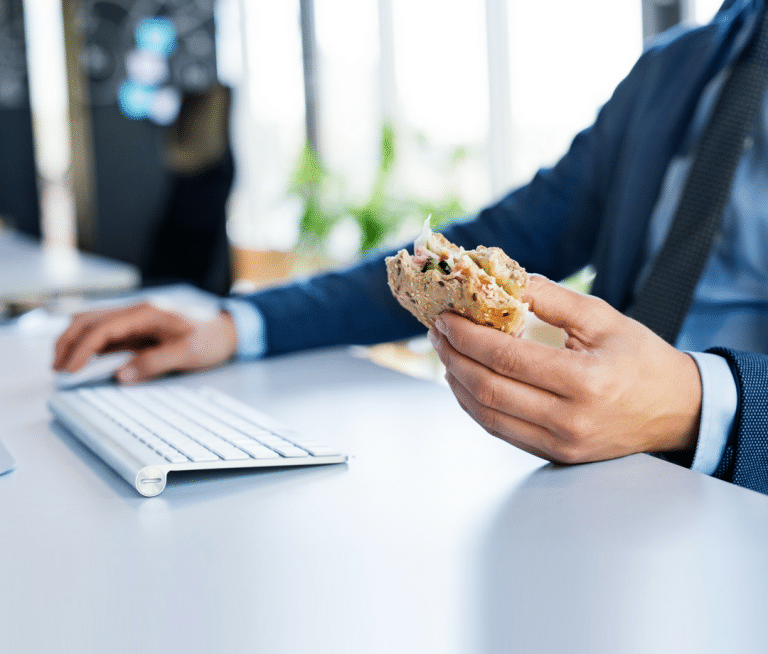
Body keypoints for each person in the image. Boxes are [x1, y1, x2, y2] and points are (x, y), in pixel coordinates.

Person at [53, 0, 768, 496]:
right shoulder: (680, 67)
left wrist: (700, 404)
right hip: (606, 495)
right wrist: (237, 323)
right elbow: (493, 241)